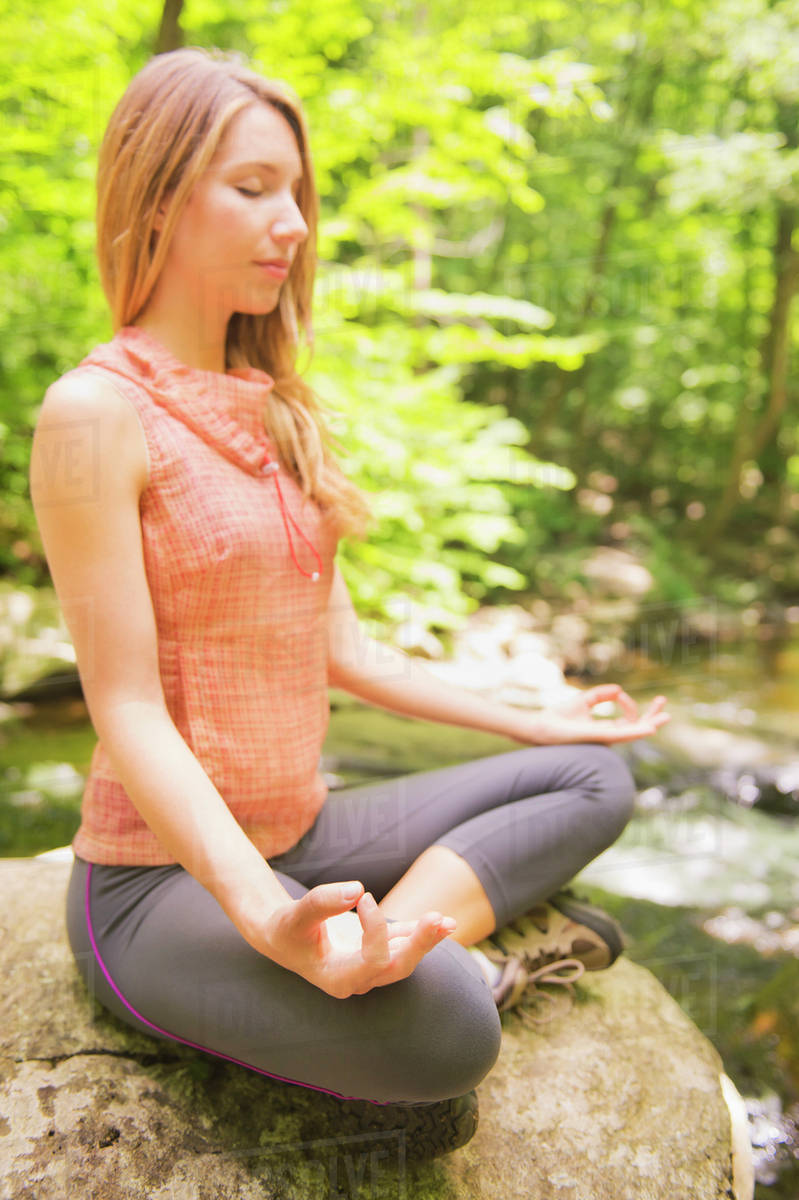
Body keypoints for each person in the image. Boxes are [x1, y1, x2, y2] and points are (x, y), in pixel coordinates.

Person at [30, 47, 670, 1158]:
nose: (294, 224)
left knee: (593, 776)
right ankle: (445, 962)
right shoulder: (94, 414)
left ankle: (408, 934)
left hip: (306, 828)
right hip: (154, 884)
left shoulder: (273, 409)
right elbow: (126, 710)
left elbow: (347, 652)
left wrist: (541, 716)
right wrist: (268, 921)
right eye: (252, 187)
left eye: (297, 193)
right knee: (449, 1042)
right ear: (158, 195)